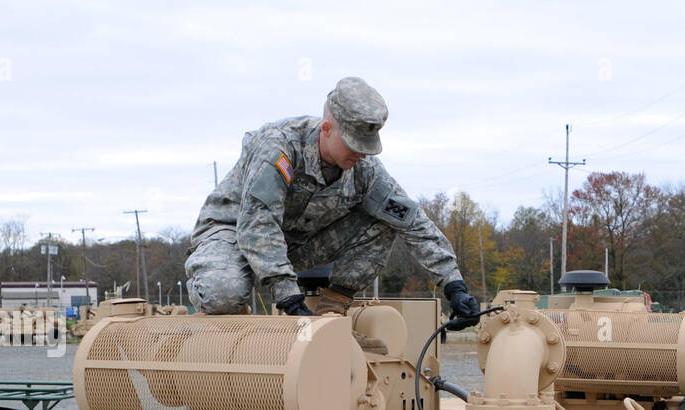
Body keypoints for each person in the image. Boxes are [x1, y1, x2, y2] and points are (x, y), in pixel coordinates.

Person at [185, 76, 480, 329]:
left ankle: (331, 311)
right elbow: (257, 225)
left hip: (294, 244)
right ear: (327, 129)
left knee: (386, 218)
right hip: (232, 233)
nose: (362, 154)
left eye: (367, 147)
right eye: (354, 145)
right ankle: (227, 316)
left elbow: (413, 223)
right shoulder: (279, 148)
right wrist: (289, 298)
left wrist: (454, 287)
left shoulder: (364, 170)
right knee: (223, 292)